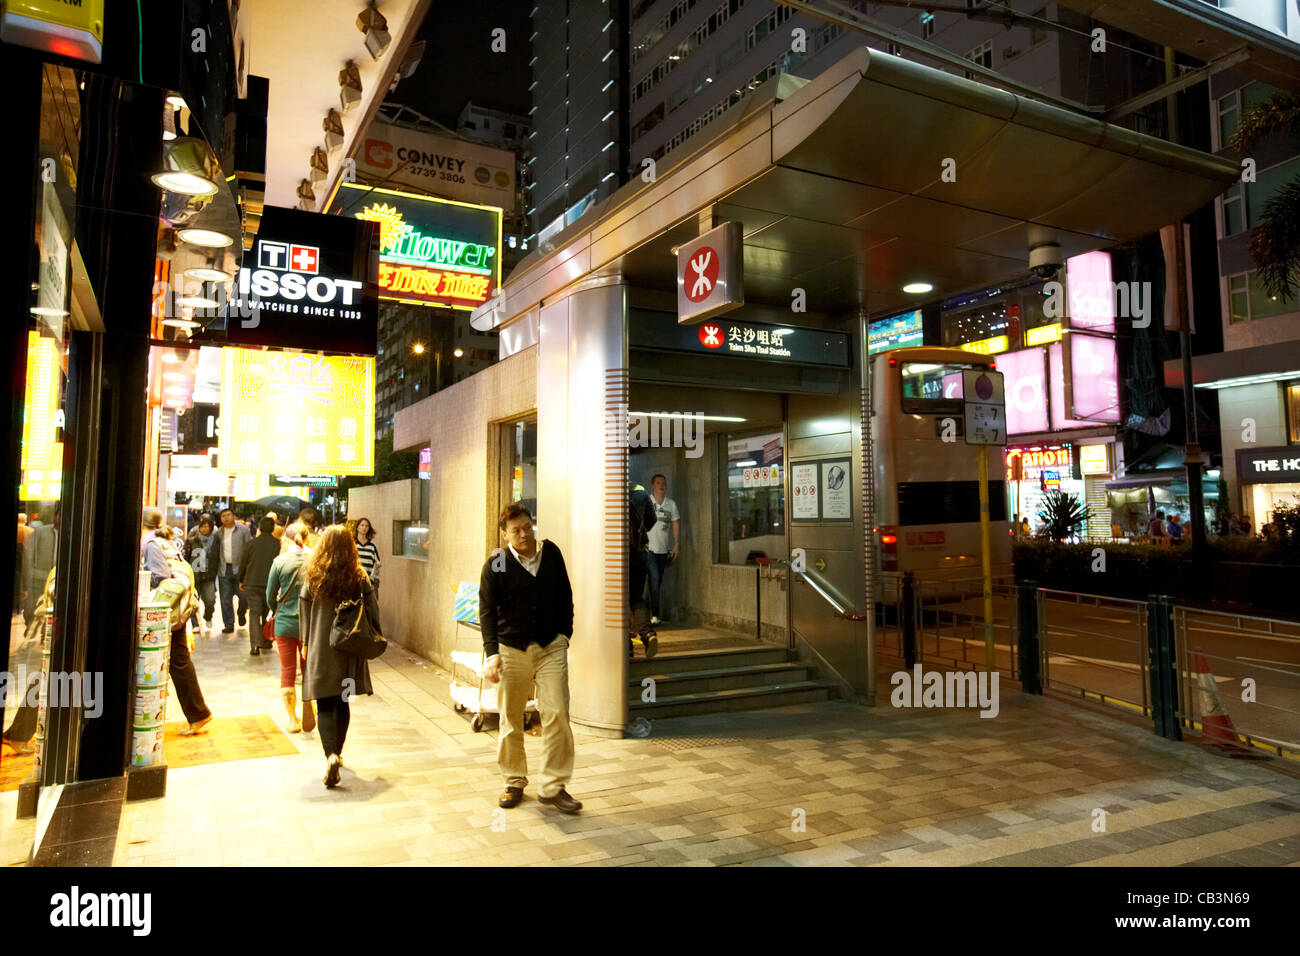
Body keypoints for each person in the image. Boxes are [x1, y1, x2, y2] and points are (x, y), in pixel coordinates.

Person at [479, 503, 581, 814]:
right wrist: (492, 653)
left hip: (551, 646)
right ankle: (514, 780)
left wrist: (566, 634)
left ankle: (554, 786)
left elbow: (565, 595)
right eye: (516, 531)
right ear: (505, 534)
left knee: (557, 712)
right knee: (511, 719)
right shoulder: (496, 564)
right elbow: (486, 611)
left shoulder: (551, 553)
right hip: (512, 649)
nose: (524, 534)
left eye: (527, 527)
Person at [300, 526, 378, 788]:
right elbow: (373, 611)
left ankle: (330, 754)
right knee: (342, 701)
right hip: (349, 651)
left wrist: (305, 642)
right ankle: (339, 753)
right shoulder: (359, 576)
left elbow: (304, 611)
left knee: (324, 704)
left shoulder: (313, 575)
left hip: (321, 650)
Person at [142, 509, 212, 736]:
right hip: (175, 612)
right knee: (180, 661)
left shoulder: (152, 544)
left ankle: (197, 714)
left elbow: (161, 577)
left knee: (178, 662)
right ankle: (198, 714)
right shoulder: (164, 542)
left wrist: (143, 580)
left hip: (164, 611)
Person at [266, 522, 315, 734]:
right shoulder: (317, 560)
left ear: (286, 540)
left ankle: (293, 720)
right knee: (308, 669)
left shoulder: (279, 561)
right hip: (311, 625)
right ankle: (309, 706)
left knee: (287, 672)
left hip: (285, 624)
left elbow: (269, 595)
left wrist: (278, 608)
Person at [239, 516, 281, 656]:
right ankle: (266, 641)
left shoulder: (251, 544)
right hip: (271, 584)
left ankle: (255, 645)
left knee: (254, 614)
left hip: (252, 582)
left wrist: (241, 580)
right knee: (266, 613)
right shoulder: (278, 544)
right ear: (273, 528)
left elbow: (243, 563)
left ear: (260, 528)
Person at [628, 482, 659, 659]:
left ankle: (626, 646)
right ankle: (648, 635)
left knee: (619, 600)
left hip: (616, 556)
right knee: (637, 597)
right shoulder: (640, 491)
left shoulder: (608, 491)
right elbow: (651, 520)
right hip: (639, 554)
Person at [645, 474, 680, 627]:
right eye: (658, 483)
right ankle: (655, 615)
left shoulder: (671, 504)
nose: (661, 485)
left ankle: (646, 612)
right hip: (648, 550)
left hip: (663, 551)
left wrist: (676, 544)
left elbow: (675, 523)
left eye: (664, 483)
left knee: (657, 583)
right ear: (652, 486)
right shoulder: (647, 502)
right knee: (653, 581)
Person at [215, 507, 251, 635]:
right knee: (225, 598)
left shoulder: (243, 530)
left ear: (233, 516)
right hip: (224, 569)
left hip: (240, 569)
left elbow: (249, 548)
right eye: (223, 516)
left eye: (228, 515)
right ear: (220, 519)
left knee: (244, 596)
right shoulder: (218, 532)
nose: (226, 517)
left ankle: (241, 613)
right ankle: (229, 624)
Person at [22, 504, 59, 627]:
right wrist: (28, 579)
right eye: (56, 514)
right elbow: (29, 556)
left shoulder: (70, 534)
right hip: (40, 578)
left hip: (58, 579)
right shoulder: (40, 532)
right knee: (38, 608)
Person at [185, 516, 220, 634]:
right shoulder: (192, 540)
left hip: (209, 575)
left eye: (207, 527)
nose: (205, 529)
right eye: (203, 526)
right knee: (194, 601)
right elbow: (187, 557)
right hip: (195, 575)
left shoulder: (215, 541)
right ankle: (195, 624)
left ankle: (208, 616)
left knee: (210, 600)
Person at [353, 518, 381, 599]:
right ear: (357, 527)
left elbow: (377, 563)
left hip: (369, 583)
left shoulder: (372, 545)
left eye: (367, 526)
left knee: (371, 609)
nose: (364, 527)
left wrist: (372, 581)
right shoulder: (352, 543)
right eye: (362, 525)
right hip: (354, 583)